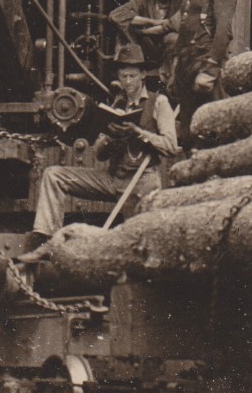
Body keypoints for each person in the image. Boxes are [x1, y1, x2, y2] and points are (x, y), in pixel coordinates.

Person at [20, 48, 179, 255]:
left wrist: (139, 133)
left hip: (141, 182)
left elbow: (171, 146)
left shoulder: (159, 102)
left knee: (139, 244)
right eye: (123, 76)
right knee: (53, 175)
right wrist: (111, 139)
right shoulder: (116, 104)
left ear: (142, 75)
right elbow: (99, 154)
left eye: (132, 76)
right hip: (112, 179)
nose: (128, 81)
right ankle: (45, 238)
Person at [170, 0, 235, 131]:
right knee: (189, 133)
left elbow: (223, 33)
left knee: (213, 128)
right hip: (186, 69)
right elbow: (183, 32)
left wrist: (210, 71)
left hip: (206, 66)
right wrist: (175, 69)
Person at [108, 0, 190, 69]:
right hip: (146, 52)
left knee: (173, 38)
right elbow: (115, 15)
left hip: (174, 55)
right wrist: (154, 22)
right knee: (122, 33)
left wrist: (142, 31)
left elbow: (181, 25)